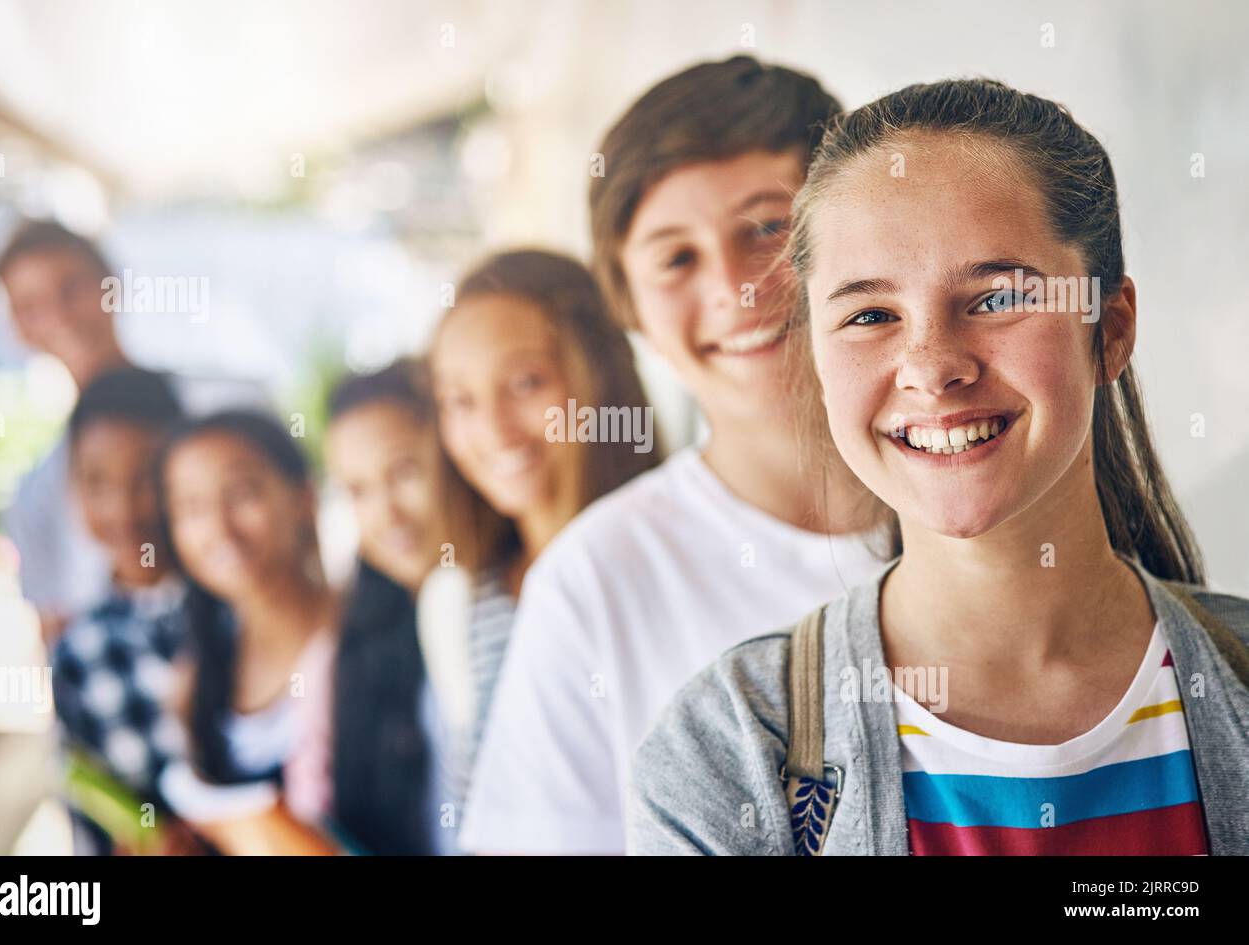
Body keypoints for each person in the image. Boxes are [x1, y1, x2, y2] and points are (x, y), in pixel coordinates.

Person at [628, 78, 1249, 856]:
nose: (930, 367)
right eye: (870, 316)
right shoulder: (729, 751)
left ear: (1111, 327)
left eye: (994, 299)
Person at [460, 56, 888, 854]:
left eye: (767, 227)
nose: (734, 288)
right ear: (627, 303)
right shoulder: (594, 582)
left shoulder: (988, 498)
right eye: (676, 259)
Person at [422, 249, 659, 839]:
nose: (494, 430)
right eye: (460, 399)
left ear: (597, 377)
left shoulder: (673, 568)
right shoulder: (455, 602)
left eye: (525, 383)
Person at [0, 220, 265, 641]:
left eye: (71, 289)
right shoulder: (35, 498)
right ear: (18, 328)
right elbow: (59, 644)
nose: (59, 315)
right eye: (30, 305)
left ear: (110, 286)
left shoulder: (229, 410)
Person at [283, 359, 447, 854]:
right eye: (357, 490)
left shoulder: (516, 609)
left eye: (404, 471)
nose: (386, 513)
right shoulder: (350, 644)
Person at [155, 410, 337, 855]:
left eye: (242, 493)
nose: (219, 528)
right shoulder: (195, 676)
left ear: (304, 498)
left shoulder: (361, 645)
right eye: (191, 507)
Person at [50, 367, 189, 853]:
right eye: (96, 481)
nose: (124, 508)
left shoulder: (235, 611)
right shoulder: (77, 654)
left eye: (147, 477)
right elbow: (87, 827)